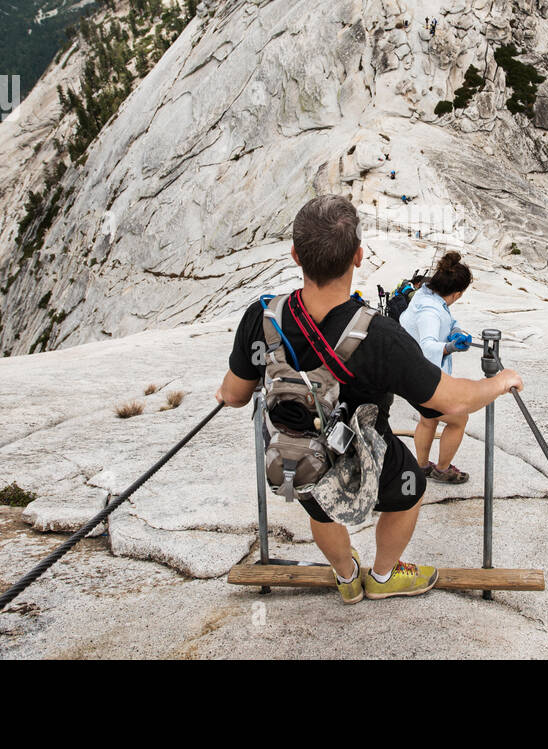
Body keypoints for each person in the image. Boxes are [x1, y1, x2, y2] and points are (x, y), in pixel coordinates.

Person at [216, 196, 522, 603]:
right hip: (369, 453)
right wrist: (500, 381)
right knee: (409, 490)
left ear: (294, 255)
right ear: (358, 256)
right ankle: (382, 576)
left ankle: (346, 577)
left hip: (297, 455)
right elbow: (452, 402)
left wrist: (222, 392)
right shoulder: (381, 337)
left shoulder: (262, 317)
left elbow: (235, 395)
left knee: (318, 504)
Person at [398, 251, 475, 484]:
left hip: (410, 373)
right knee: (459, 419)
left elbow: (448, 320)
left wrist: (456, 331)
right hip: (422, 376)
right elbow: (428, 345)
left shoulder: (426, 294)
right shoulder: (430, 311)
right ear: (458, 292)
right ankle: (442, 469)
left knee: (428, 418)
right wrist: (451, 346)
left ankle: (421, 466)